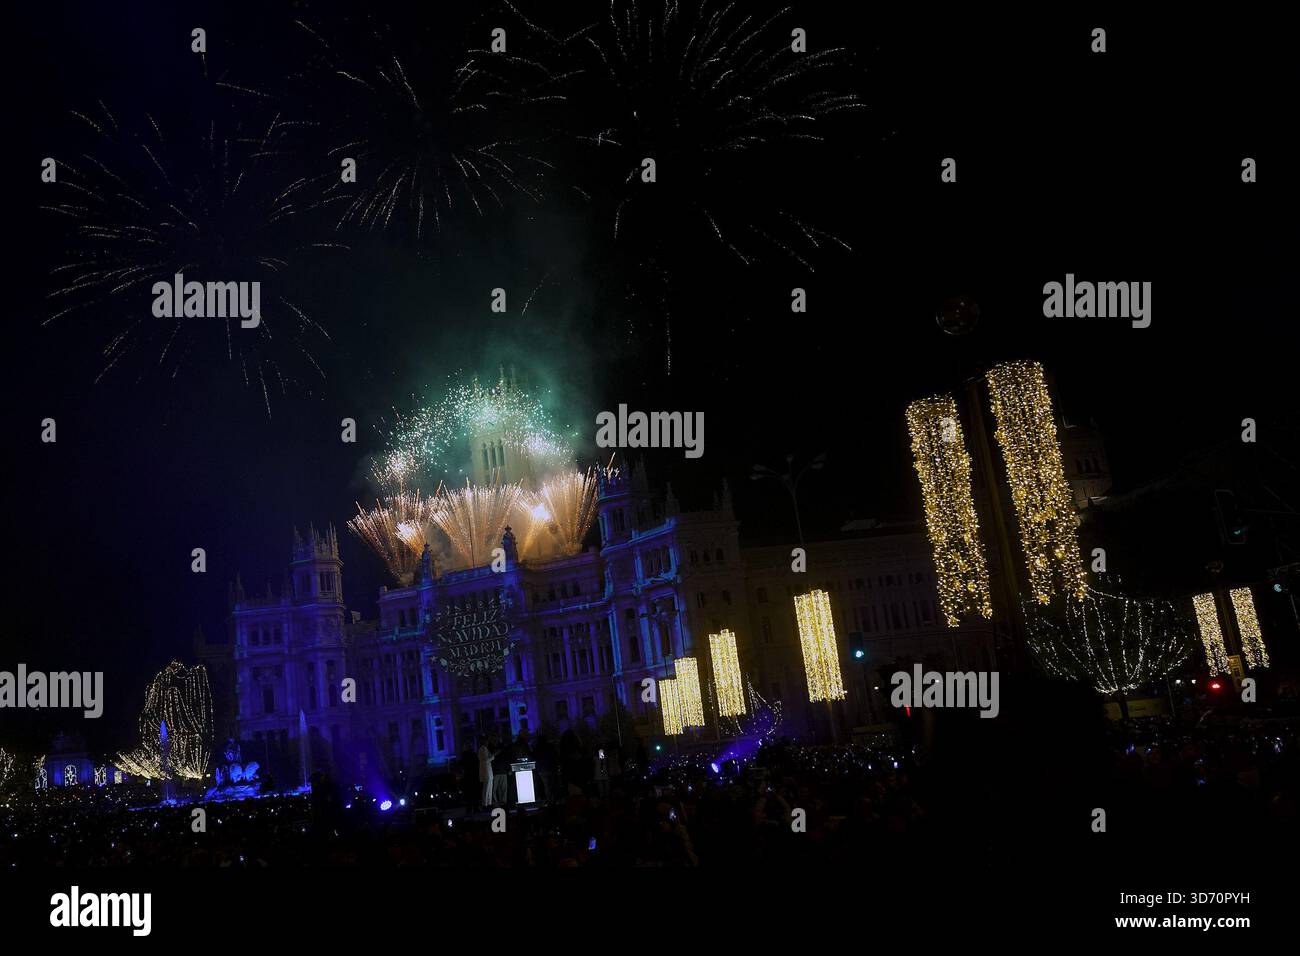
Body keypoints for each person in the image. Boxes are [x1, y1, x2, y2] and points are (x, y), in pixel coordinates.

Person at [478, 737, 497, 808]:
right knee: (486, 788)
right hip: (486, 772)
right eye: (487, 741)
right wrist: (493, 756)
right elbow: (485, 760)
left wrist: (492, 756)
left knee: (489, 788)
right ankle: (485, 803)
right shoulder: (482, 749)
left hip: (488, 771)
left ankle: (489, 803)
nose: (488, 742)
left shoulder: (485, 749)